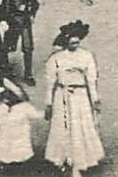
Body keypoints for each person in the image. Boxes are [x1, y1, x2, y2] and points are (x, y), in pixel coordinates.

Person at [43, 20, 105, 177]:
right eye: (71, 41)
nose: (75, 44)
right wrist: (49, 103)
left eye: (77, 41)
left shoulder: (86, 56)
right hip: (61, 96)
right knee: (62, 126)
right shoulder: (55, 58)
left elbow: (91, 80)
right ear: (65, 41)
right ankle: (63, 159)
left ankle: (80, 162)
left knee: (80, 126)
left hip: (80, 96)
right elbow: (50, 82)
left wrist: (95, 100)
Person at [0, 77, 43, 168]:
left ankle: (5, 160)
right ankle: (17, 161)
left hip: (7, 135)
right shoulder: (24, 107)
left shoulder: (2, 108)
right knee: (18, 145)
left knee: (6, 144)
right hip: (19, 135)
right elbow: (36, 114)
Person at [1, 0, 41, 84]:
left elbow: (35, 4)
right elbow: (4, 9)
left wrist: (31, 13)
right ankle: (6, 71)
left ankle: (28, 74)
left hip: (25, 23)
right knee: (8, 47)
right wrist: (5, 21)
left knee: (28, 48)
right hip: (13, 23)